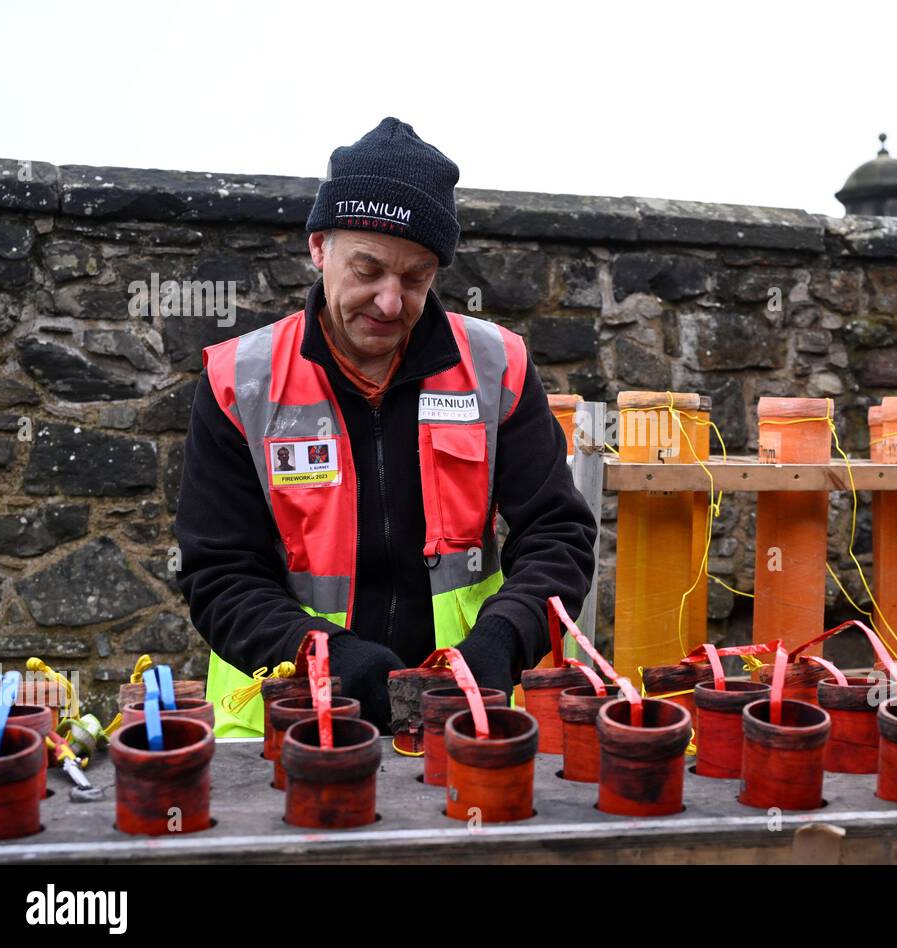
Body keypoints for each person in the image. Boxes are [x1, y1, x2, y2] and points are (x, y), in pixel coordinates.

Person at [174, 118, 599, 736]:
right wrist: (324, 655)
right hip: (287, 712)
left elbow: (558, 533)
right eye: (368, 270)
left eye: (416, 277)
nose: (391, 301)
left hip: (462, 713)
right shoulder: (240, 382)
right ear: (319, 247)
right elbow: (217, 573)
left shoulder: (496, 367)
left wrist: (502, 640)